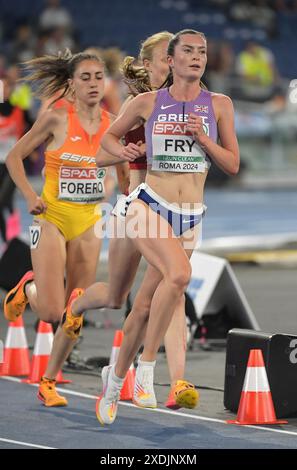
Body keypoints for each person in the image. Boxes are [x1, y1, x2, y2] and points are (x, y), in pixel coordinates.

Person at [91, 28, 239, 425]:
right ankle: (147, 370)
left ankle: (115, 378)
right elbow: (105, 140)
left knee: (144, 305)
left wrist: (203, 139)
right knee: (178, 276)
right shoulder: (146, 102)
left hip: (191, 215)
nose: (197, 57)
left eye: (202, 52)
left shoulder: (219, 104)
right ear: (170, 61)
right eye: (187, 51)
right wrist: (121, 151)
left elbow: (232, 164)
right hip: (147, 204)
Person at [55, 31, 198, 411]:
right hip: (134, 209)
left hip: (169, 215)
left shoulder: (190, 102)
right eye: (166, 59)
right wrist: (127, 150)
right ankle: (79, 304)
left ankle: (173, 381)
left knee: (170, 288)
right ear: (149, 65)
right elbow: (103, 155)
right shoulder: (140, 104)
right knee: (118, 298)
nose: (173, 64)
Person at [3, 49, 114, 407]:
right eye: (85, 77)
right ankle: (28, 286)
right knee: (51, 312)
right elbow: (13, 156)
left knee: (73, 311)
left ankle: (48, 382)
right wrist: (30, 194)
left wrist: (121, 188)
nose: (94, 84)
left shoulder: (115, 123)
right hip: (51, 217)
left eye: (98, 76)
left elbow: (124, 174)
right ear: (71, 84)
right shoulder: (56, 118)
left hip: (88, 223)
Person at [0, 74, 26, 243]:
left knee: (2, 201)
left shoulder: (18, 110)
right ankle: (9, 241)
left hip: (12, 163)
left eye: (6, 87)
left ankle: (10, 239)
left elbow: (28, 133)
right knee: (6, 203)